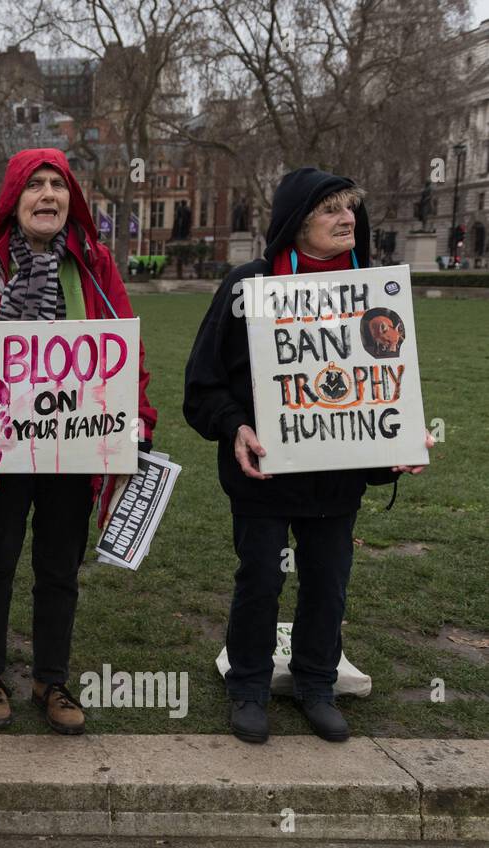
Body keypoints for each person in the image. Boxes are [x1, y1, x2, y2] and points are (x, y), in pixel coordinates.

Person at [183, 167, 432, 744]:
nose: (347, 219)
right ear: (296, 224)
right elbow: (202, 384)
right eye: (331, 210)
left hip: (335, 479)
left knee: (328, 580)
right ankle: (248, 684)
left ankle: (317, 682)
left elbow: (385, 384)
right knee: (262, 578)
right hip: (264, 471)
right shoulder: (248, 286)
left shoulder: (375, 291)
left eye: (351, 209)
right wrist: (235, 426)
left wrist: (400, 438)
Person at [0, 148, 157, 733]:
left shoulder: (94, 265)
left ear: (71, 199)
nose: (48, 195)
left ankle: (52, 680)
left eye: (58, 185)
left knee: (60, 568)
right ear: (15, 199)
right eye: (36, 186)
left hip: (72, 448)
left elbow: (125, 355)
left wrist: (139, 424)